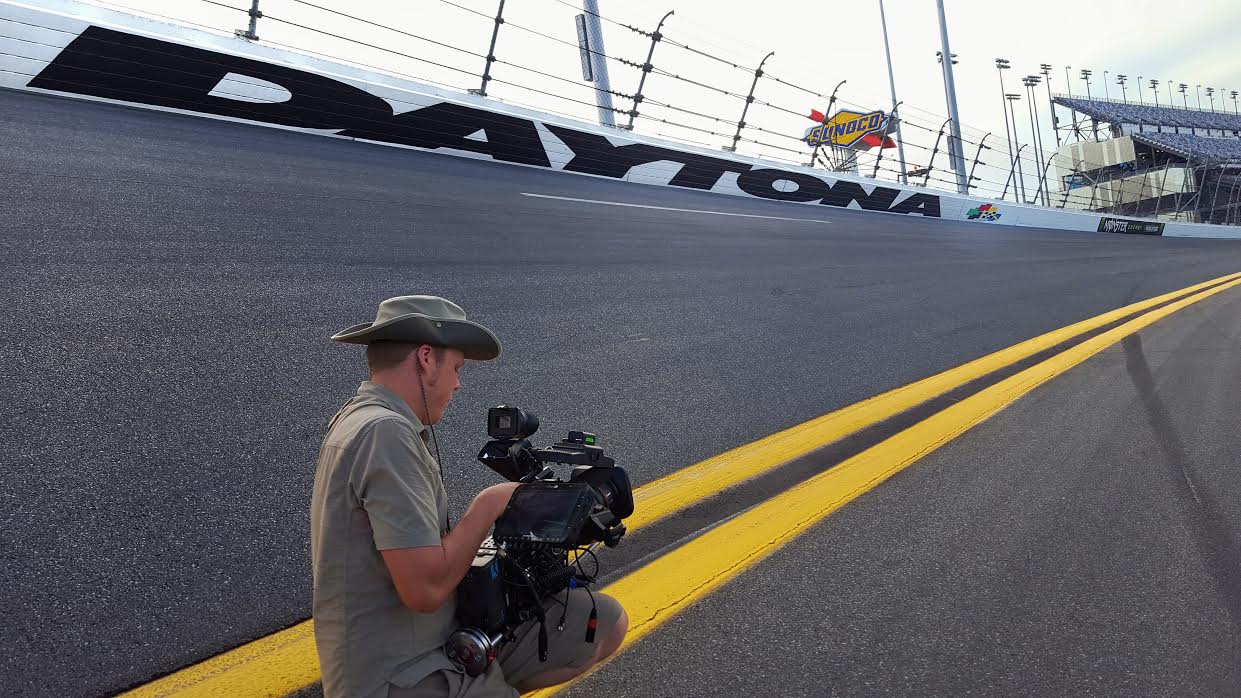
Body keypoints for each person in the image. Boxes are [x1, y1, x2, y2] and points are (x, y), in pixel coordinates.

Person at [311, 295, 627, 698]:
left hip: (438, 639)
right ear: (426, 359)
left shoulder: (366, 417)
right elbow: (424, 592)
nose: (459, 383)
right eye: (457, 368)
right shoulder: (384, 434)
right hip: (399, 673)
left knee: (602, 621)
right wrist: (491, 504)